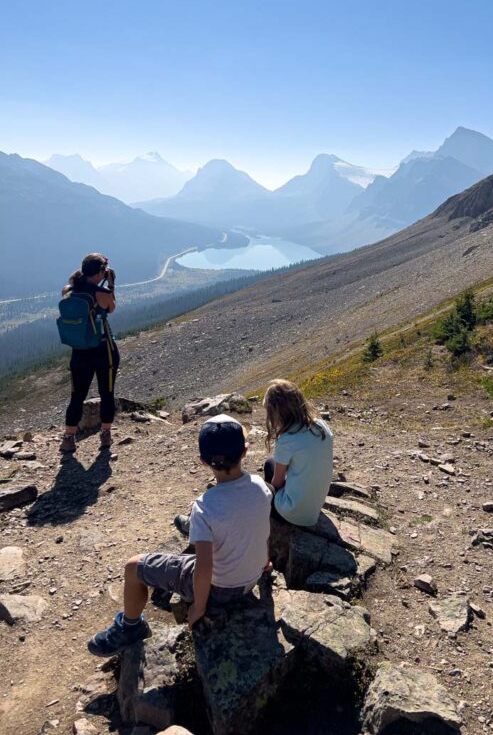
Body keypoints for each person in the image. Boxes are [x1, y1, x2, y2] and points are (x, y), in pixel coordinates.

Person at [87, 414, 273, 657]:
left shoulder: (205, 506)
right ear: (245, 451)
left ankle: (131, 627)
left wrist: (199, 606)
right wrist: (264, 562)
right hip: (251, 579)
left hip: (221, 590)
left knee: (133, 567)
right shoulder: (261, 487)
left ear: (203, 462)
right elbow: (262, 530)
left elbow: (204, 568)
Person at [59, 253, 118, 453]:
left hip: (79, 350)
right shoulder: (101, 293)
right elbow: (111, 308)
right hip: (103, 349)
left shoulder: (68, 291)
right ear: (101, 272)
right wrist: (110, 285)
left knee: (77, 395)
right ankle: (105, 435)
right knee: (107, 392)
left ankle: (68, 437)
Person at [262, 378, 333, 527]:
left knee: (266, 478)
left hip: (292, 514)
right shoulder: (321, 426)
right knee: (271, 463)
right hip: (315, 509)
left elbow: (278, 482)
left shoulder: (287, 439)